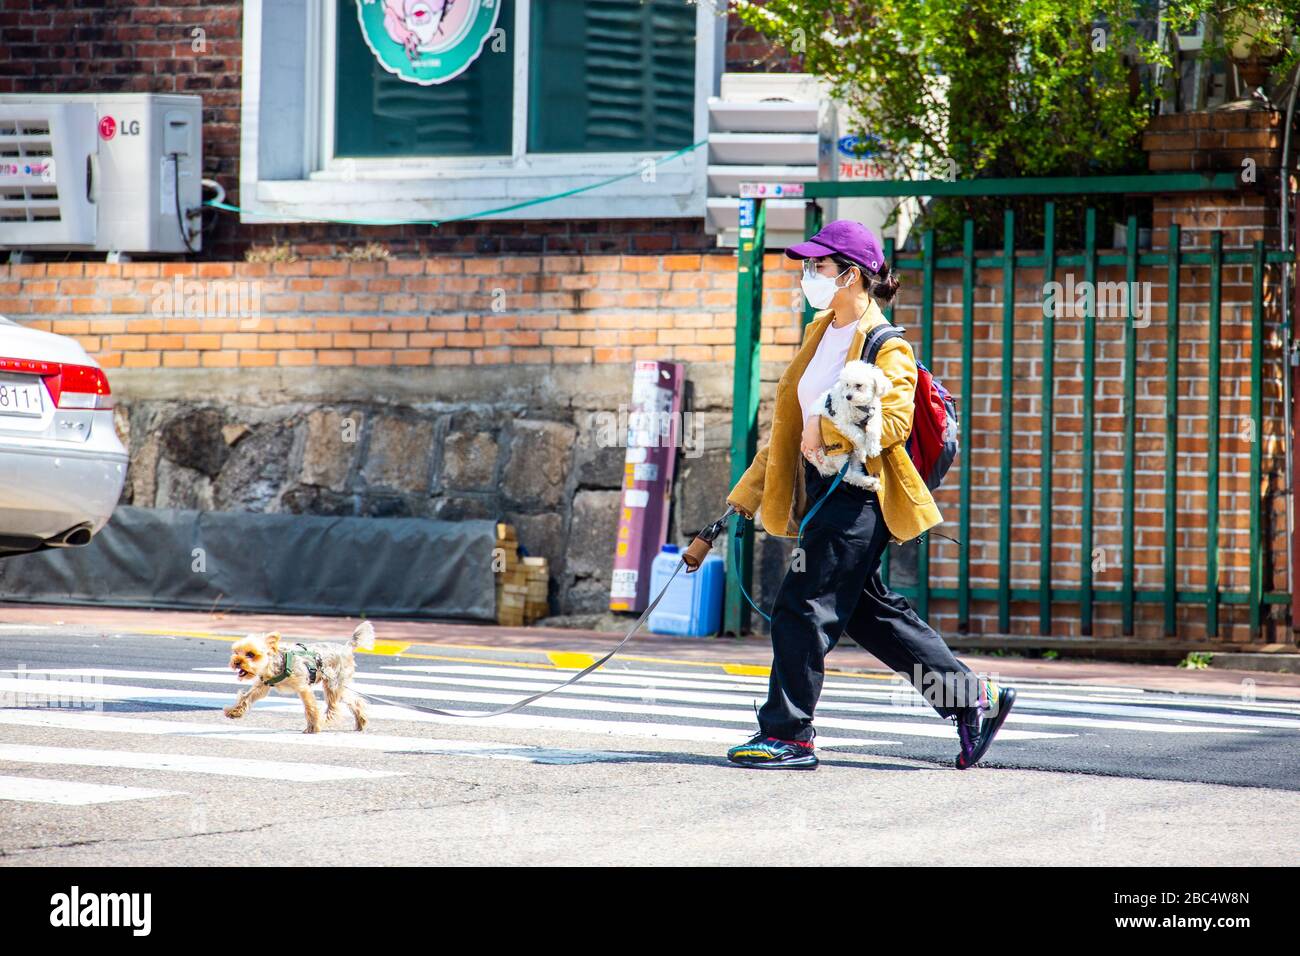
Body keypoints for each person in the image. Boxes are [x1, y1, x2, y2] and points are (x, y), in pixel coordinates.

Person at [724, 219, 1016, 770]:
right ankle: (974, 698)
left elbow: (895, 424)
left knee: (802, 606)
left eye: (818, 267)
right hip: (820, 490)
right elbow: (789, 428)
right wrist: (742, 498)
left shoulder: (888, 346)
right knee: (867, 614)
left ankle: (787, 735)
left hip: (859, 494)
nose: (808, 275)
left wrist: (828, 427)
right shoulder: (819, 333)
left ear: (851, 275)